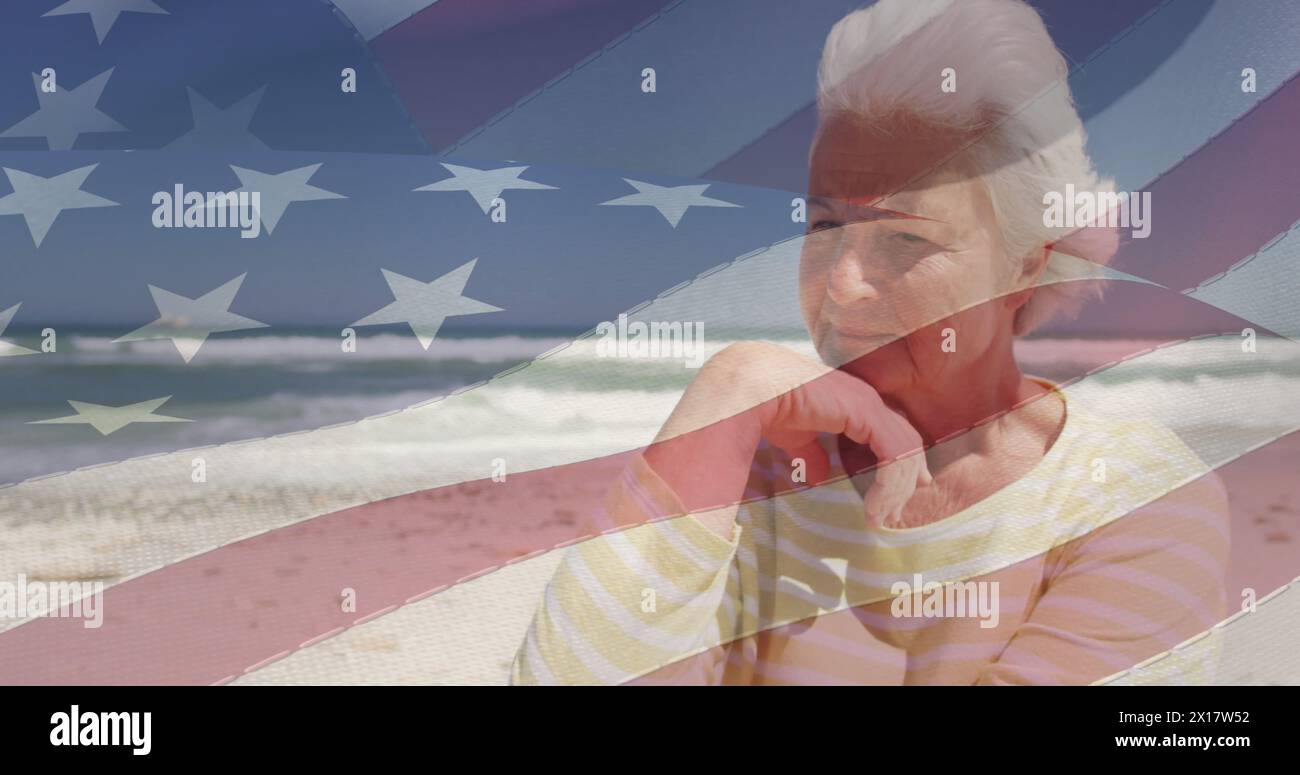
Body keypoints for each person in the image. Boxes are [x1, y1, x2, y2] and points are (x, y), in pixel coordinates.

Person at [511, 0, 1229, 685]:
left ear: (1023, 262)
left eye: (907, 237)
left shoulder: (1131, 497)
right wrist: (729, 386)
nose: (844, 284)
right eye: (824, 227)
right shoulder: (751, 472)